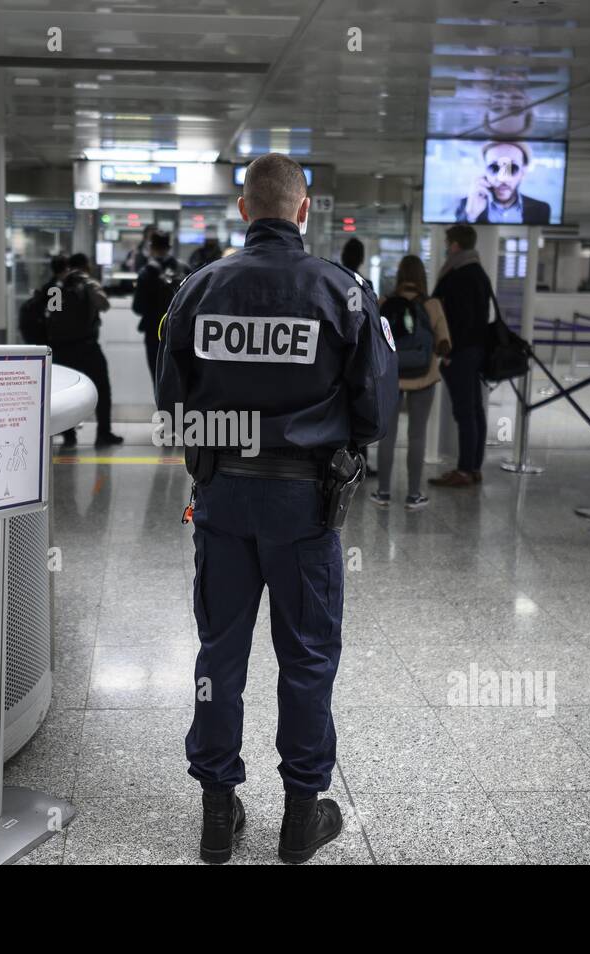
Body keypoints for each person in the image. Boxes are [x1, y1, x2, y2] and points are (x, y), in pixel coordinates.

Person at [156, 152, 397, 864]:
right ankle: (300, 818)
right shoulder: (344, 292)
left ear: (242, 210)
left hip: (223, 497)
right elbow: (375, 410)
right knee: (307, 658)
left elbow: (172, 406)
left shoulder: (197, 290)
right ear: (303, 209)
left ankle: (216, 813)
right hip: (305, 505)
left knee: (219, 653)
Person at [369, 255, 451, 510]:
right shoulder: (432, 305)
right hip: (423, 378)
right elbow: (444, 344)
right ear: (421, 277)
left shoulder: (384, 302)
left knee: (387, 436)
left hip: (391, 379)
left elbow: (374, 342)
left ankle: (383, 493)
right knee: (417, 435)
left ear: (400, 276)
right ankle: (414, 495)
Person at [430, 224, 493, 487]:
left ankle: (465, 470)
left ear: (455, 244)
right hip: (477, 350)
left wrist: (449, 353)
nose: (446, 247)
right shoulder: (478, 271)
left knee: (465, 412)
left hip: (461, 352)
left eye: (447, 242)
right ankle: (474, 466)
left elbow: (453, 316)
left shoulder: (458, 275)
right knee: (475, 409)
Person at [50, 253, 122, 448]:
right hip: (87, 346)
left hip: (63, 349)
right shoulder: (88, 283)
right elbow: (104, 304)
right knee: (102, 389)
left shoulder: (57, 287)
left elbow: (52, 315)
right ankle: (103, 433)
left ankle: (69, 436)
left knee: (64, 391)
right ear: (86, 266)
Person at [454, 141, 550, 225]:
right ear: (485, 172)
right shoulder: (466, 205)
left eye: (512, 168)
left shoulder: (541, 209)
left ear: (523, 173)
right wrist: (471, 216)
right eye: (494, 168)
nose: (503, 179)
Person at [132, 231, 182, 385]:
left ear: (152, 247)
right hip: (179, 330)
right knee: (179, 378)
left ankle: (162, 408)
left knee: (158, 377)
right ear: (169, 247)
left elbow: (138, 307)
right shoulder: (182, 269)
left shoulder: (146, 273)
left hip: (154, 331)